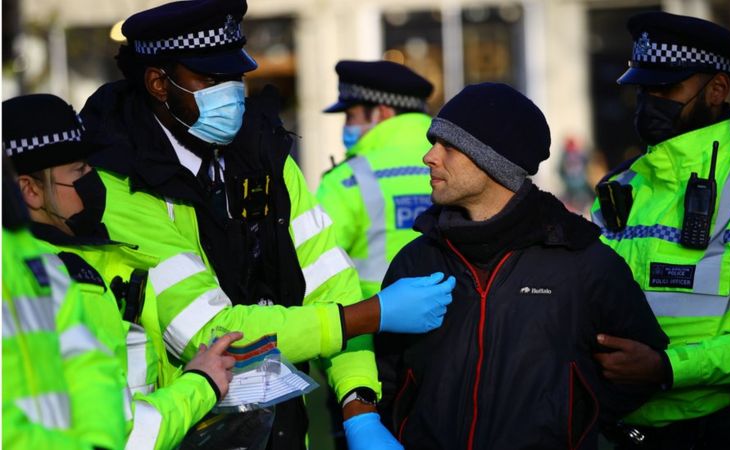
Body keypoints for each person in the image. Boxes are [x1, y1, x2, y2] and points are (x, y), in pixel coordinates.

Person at [79, 1, 454, 446]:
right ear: (160, 83)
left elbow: (329, 282)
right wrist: (372, 314)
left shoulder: (262, 154)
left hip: (281, 423)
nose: (232, 94)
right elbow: (212, 331)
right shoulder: (117, 181)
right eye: (211, 81)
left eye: (235, 78)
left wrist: (358, 406)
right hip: (183, 425)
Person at [375, 82, 668, 449]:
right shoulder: (417, 259)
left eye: (448, 146)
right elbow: (384, 377)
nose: (429, 157)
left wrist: (570, 424)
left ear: (493, 161)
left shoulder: (582, 262)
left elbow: (641, 371)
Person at [591, 11, 730, 449]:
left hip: (725, 430)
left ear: (717, 90)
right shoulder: (619, 187)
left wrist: (667, 369)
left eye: (666, 88)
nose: (650, 101)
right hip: (621, 429)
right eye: (643, 88)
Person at [5, 93, 249, 449]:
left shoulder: (69, 262)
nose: (94, 180)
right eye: (79, 170)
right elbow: (124, 434)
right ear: (30, 190)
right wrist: (201, 384)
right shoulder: (58, 281)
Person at [2, 161, 126, 450]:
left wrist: (99, 442)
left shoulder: (31, 260)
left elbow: (87, 362)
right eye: (79, 171)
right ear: (30, 190)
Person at [317, 60, 435, 299]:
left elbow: (313, 264)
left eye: (351, 116)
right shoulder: (455, 164)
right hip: (452, 322)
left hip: (370, 326)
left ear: (382, 113)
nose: (347, 126)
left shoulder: (347, 179)